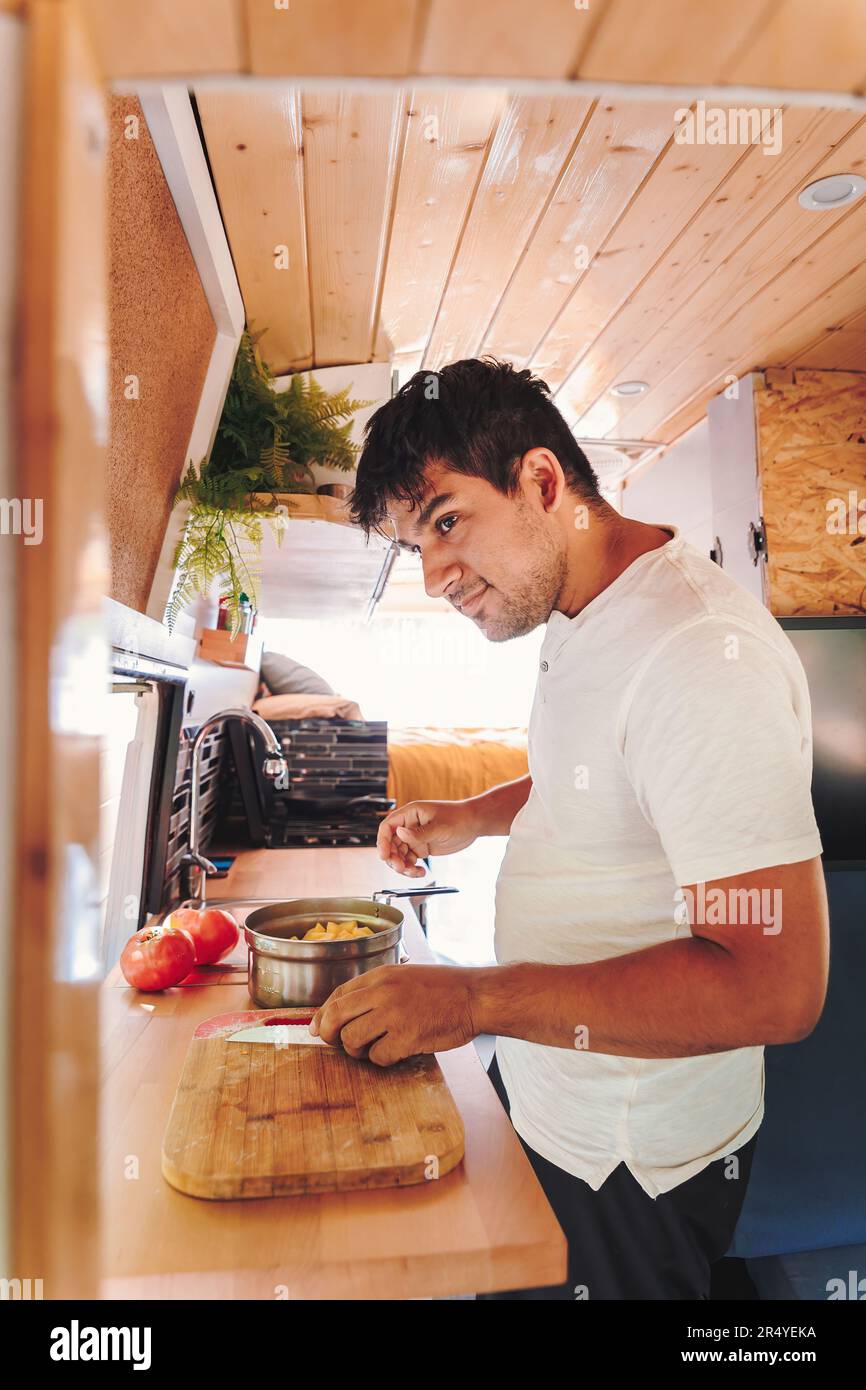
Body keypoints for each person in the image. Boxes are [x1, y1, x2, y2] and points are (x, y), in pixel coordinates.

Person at [309, 358, 829, 1300]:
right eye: (414, 546)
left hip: (632, 1157)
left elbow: (776, 986)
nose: (435, 577)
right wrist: (475, 814)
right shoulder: (581, 601)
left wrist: (470, 1002)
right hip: (552, 1084)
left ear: (542, 482)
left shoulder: (698, 659)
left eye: (446, 522)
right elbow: (595, 775)